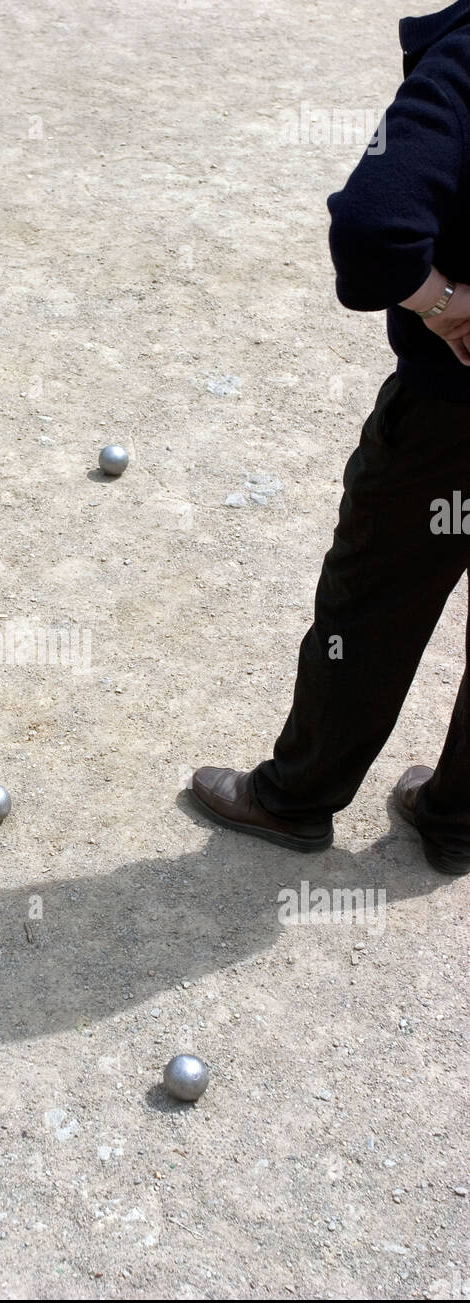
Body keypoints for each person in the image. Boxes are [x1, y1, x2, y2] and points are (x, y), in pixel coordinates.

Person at [191, 1, 470, 876]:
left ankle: (294, 799)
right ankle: (460, 817)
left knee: (375, 604)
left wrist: (441, 303)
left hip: (452, 423)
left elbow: (374, 222)